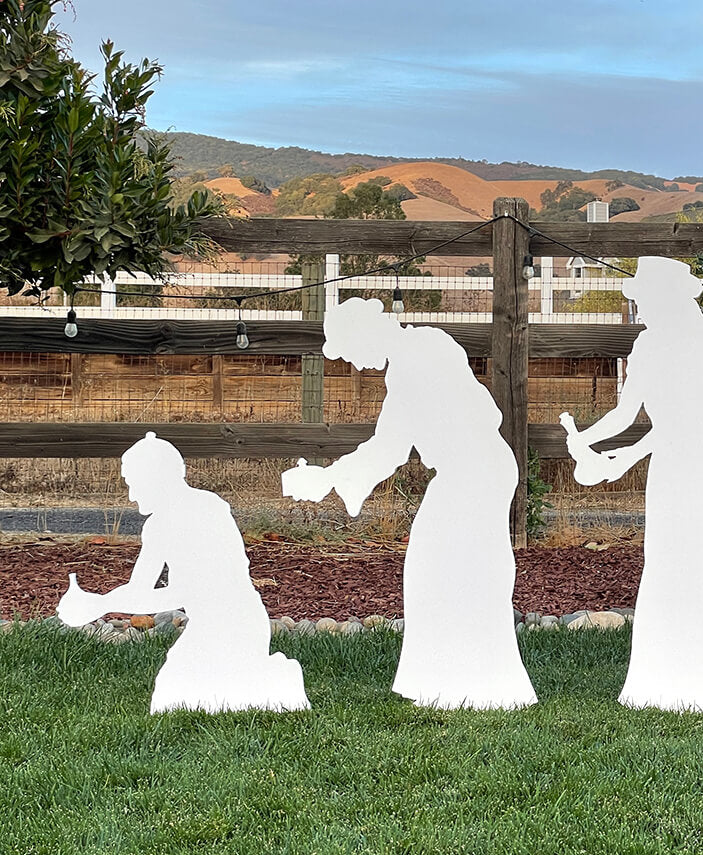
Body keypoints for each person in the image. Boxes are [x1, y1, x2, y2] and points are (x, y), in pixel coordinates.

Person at [282, 297, 536, 710]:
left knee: (451, 569)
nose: (354, 364)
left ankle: (472, 678)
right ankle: (451, 676)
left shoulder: (416, 357)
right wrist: (330, 478)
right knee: (444, 569)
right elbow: (397, 441)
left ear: (365, 334)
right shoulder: (418, 350)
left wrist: (328, 478)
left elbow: (390, 446)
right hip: (473, 468)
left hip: (474, 470)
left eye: (350, 351)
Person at [562, 257, 703, 711]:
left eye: (646, 300)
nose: (642, 310)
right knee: (670, 561)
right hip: (673, 465)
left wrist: (627, 456)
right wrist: (584, 440)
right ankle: (663, 674)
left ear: (672, 297)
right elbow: (625, 413)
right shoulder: (648, 345)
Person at [57, 432, 309, 714]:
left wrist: (100, 605)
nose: (131, 496)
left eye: (134, 484)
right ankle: (263, 675)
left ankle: (278, 675)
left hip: (236, 622)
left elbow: (190, 591)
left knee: (183, 696)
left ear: (157, 478)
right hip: (208, 623)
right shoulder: (157, 526)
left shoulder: (207, 509)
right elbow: (139, 589)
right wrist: (96, 603)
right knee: (174, 697)